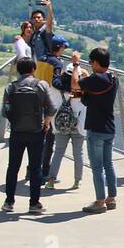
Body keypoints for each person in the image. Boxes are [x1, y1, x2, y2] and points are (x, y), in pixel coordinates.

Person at [1, 57, 57, 215]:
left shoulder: (10, 88)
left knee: (13, 167)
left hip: (17, 132)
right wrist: (45, 123)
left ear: (18, 71)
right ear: (34, 69)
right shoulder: (41, 85)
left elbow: (5, 112)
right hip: (36, 133)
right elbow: (52, 109)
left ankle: (9, 202)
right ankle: (34, 203)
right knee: (35, 168)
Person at [73, 46, 119, 213]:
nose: (90, 65)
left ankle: (99, 202)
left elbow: (75, 84)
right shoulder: (113, 79)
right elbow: (96, 95)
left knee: (97, 167)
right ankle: (111, 198)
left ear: (98, 63)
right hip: (109, 127)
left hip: (95, 128)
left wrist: (76, 65)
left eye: (91, 62)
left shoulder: (93, 81)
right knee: (109, 163)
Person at [46, 48, 86, 189]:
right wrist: (78, 67)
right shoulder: (82, 92)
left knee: (58, 152)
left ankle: (51, 180)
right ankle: (77, 180)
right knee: (78, 154)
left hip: (60, 125)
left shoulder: (55, 89)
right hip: (78, 127)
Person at [39, 34, 71, 182]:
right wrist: (69, 87)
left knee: (40, 138)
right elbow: (56, 83)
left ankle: (33, 169)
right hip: (51, 102)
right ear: (59, 47)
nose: (65, 50)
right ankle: (45, 171)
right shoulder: (57, 63)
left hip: (39, 99)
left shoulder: (42, 58)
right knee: (50, 139)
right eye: (64, 47)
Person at [29, 0, 56, 87]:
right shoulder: (33, 34)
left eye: (39, 17)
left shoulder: (45, 30)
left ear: (43, 19)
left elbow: (50, 22)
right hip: (35, 65)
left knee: (45, 87)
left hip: (45, 64)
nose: (37, 19)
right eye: (34, 18)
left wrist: (49, 7)